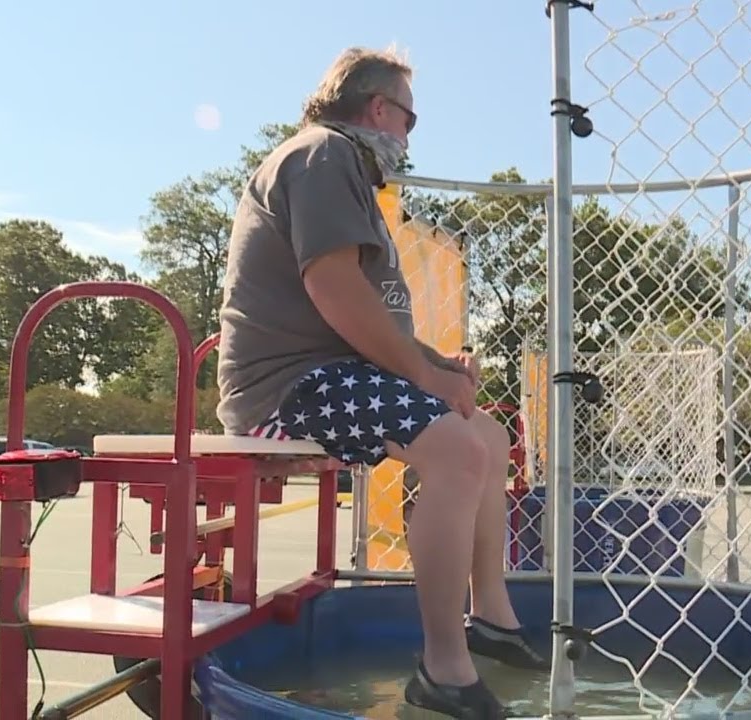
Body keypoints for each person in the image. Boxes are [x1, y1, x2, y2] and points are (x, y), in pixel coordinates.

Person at [215, 45, 544, 718]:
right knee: (456, 450)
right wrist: (424, 371)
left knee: (481, 429)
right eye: (410, 121)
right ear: (378, 108)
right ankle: (444, 668)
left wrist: (441, 368)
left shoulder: (343, 171)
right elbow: (334, 289)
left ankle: (490, 613)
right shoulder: (323, 155)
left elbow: (359, 319)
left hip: (332, 371)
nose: (408, 138)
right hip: (287, 390)